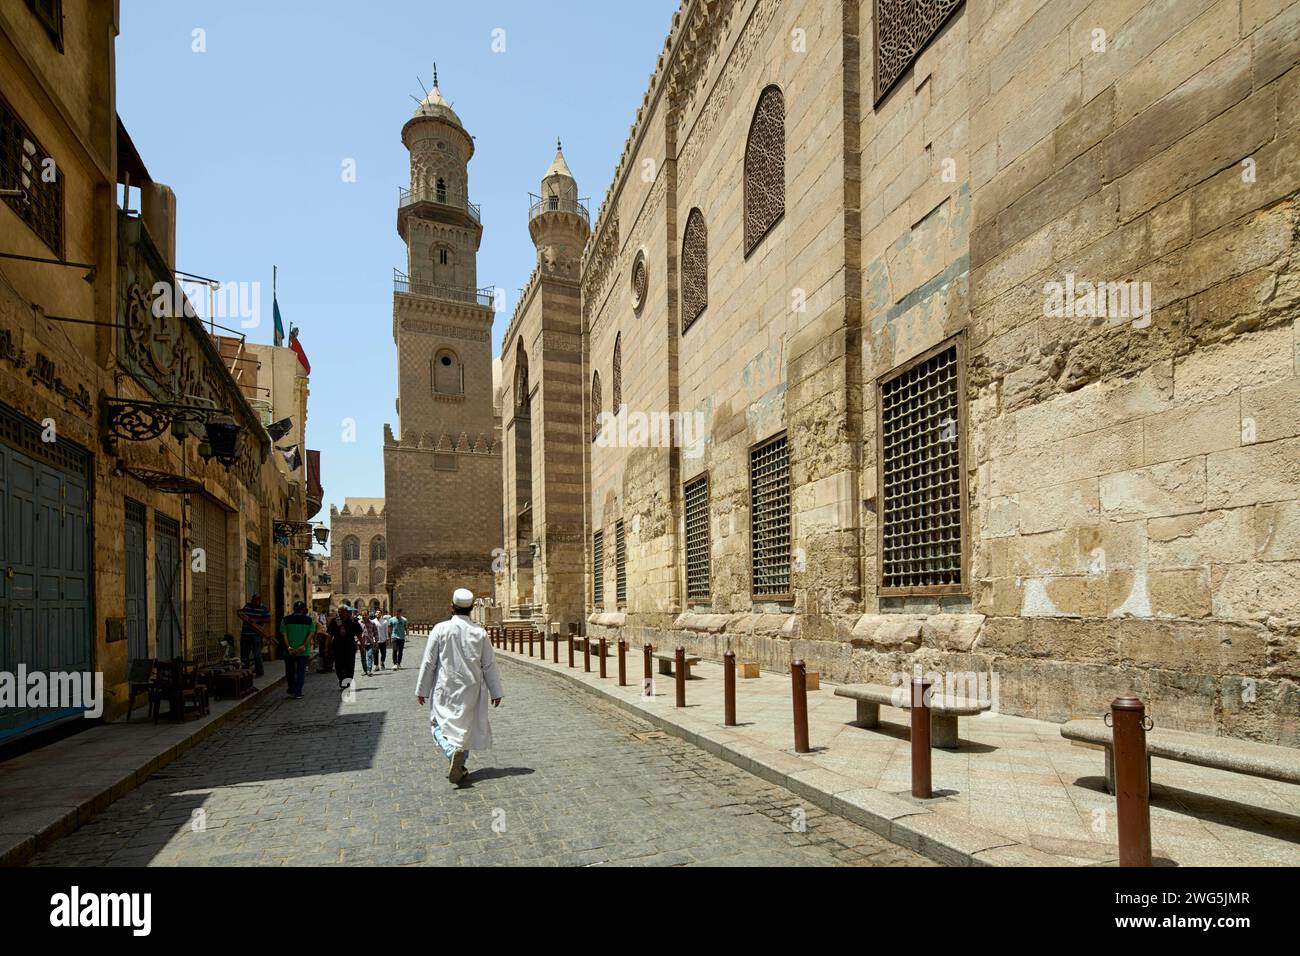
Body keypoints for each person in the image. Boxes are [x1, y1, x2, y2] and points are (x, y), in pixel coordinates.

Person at [416, 588, 503, 785]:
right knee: (465, 726)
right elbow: (489, 664)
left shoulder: (440, 629)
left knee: (438, 724)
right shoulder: (480, 633)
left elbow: (429, 662)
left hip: (446, 686)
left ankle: (450, 751)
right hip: (472, 688)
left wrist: (422, 690)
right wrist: (496, 692)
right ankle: (461, 767)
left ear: (452, 607)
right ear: (472, 608)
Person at [279, 601, 315, 699]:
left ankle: (291, 688)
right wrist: (303, 646)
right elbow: (311, 634)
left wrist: (288, 647)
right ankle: (298, 692)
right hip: (303, 651)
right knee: (301, 672)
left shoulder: (285, 620)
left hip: (289, 651)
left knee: (290, 671)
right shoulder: (309, 620)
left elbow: (284, 634)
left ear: (293, 609)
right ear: (303, 610)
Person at [237, 594, 271, 679]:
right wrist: (242, 617)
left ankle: (259, 672)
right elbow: (241, 613)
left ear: (259, 600)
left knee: (257, 654)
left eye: (255, 601)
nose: (253, 602)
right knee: (244, 654)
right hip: (245, 634)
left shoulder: (263, 608)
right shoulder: (247, 606)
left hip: (256, 635)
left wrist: (256, 620)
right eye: (253, 600)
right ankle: (245, 672)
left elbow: (268, 619)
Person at [331, 607, 361, 689]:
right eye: (339, 612)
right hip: (338, 647)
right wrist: (328, 647)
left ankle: (347, 682)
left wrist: (362, 645)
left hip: (350, 647)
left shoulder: (353, 621)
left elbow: (359, 634)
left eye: (342, 612)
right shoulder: (334, 621)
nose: (340, 614)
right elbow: (329, 635)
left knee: (350, 665)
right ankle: (341, 680)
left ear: (347, 613)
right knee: (338, 665)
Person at [360, 611, 377, 675]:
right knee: (363, 657)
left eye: (365, 615)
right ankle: (365, 670)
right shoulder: (359, 623)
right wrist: (357, 640)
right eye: (363, 615)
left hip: (370, 642)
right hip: (362, 643)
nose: (364, 616)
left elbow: (375, 632)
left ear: (368, 615)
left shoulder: (372, 623)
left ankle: (369, 670)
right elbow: (356, 633)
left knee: (370, 655)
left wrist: (376, 641)